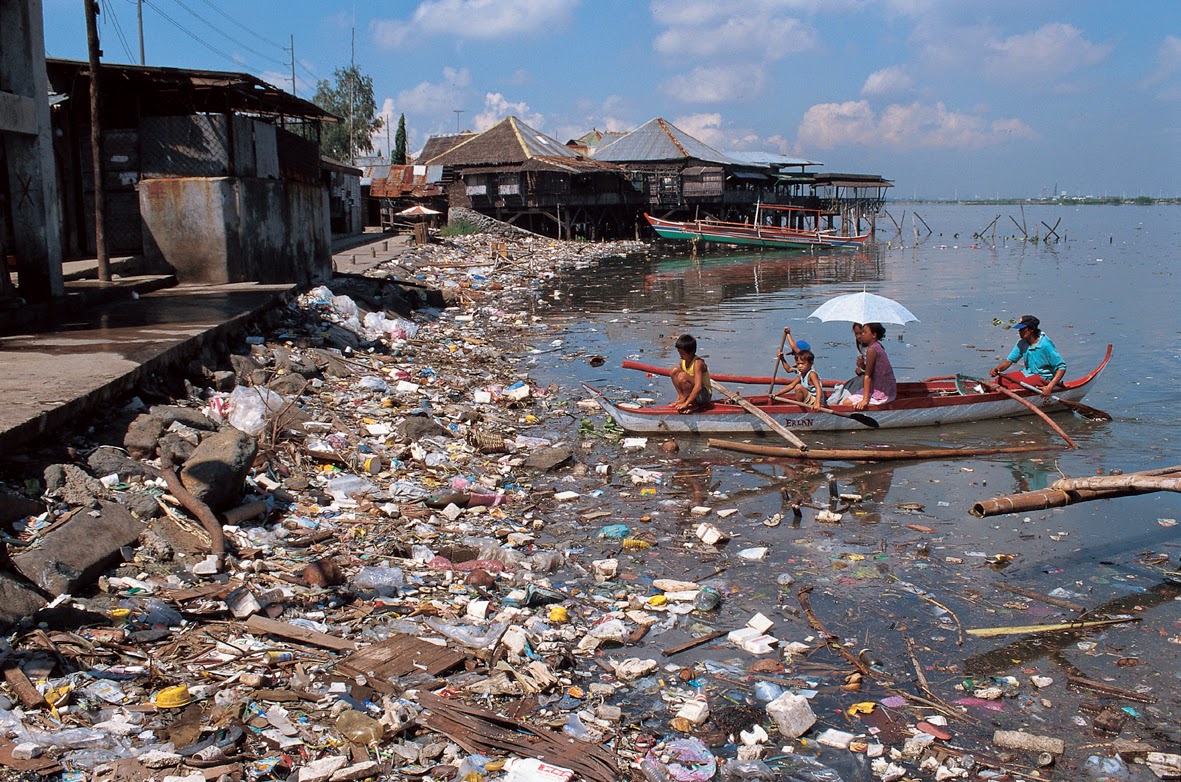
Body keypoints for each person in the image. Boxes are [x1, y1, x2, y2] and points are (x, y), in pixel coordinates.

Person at [989, 315, 1066, 397]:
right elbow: (1009, 361)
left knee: (1013, 387)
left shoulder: (1045, 345)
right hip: (1027, 373)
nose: (1019, 331)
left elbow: (1061, 367)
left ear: (1031, 329)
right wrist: (997, 369)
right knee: (998, 381)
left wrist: (1049, 387)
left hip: (1043, 377)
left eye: (1022, 329)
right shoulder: (1022, 343)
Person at [833, 322, 896, 410]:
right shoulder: (875, 346)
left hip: (881, 392)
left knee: (847, 403)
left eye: (865, 332)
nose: (862, 335)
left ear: (874, 335)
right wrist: (862, 366)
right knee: (846, 402)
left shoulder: (872, 350)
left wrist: (865, 400)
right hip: (878, 387)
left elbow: (868, 375)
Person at [671, 333, 711, 414]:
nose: (680, 355)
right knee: (674, 371)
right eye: (679, 352)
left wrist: (687, 403)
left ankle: (694, 404)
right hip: (693, 393)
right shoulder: (682, 362)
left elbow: (698, 386)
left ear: (691, 352)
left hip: (703, 396)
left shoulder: (698, 363)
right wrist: (680, 398)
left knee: (683, 376)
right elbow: (681, 384)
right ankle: (682, 397)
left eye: (682, 353)